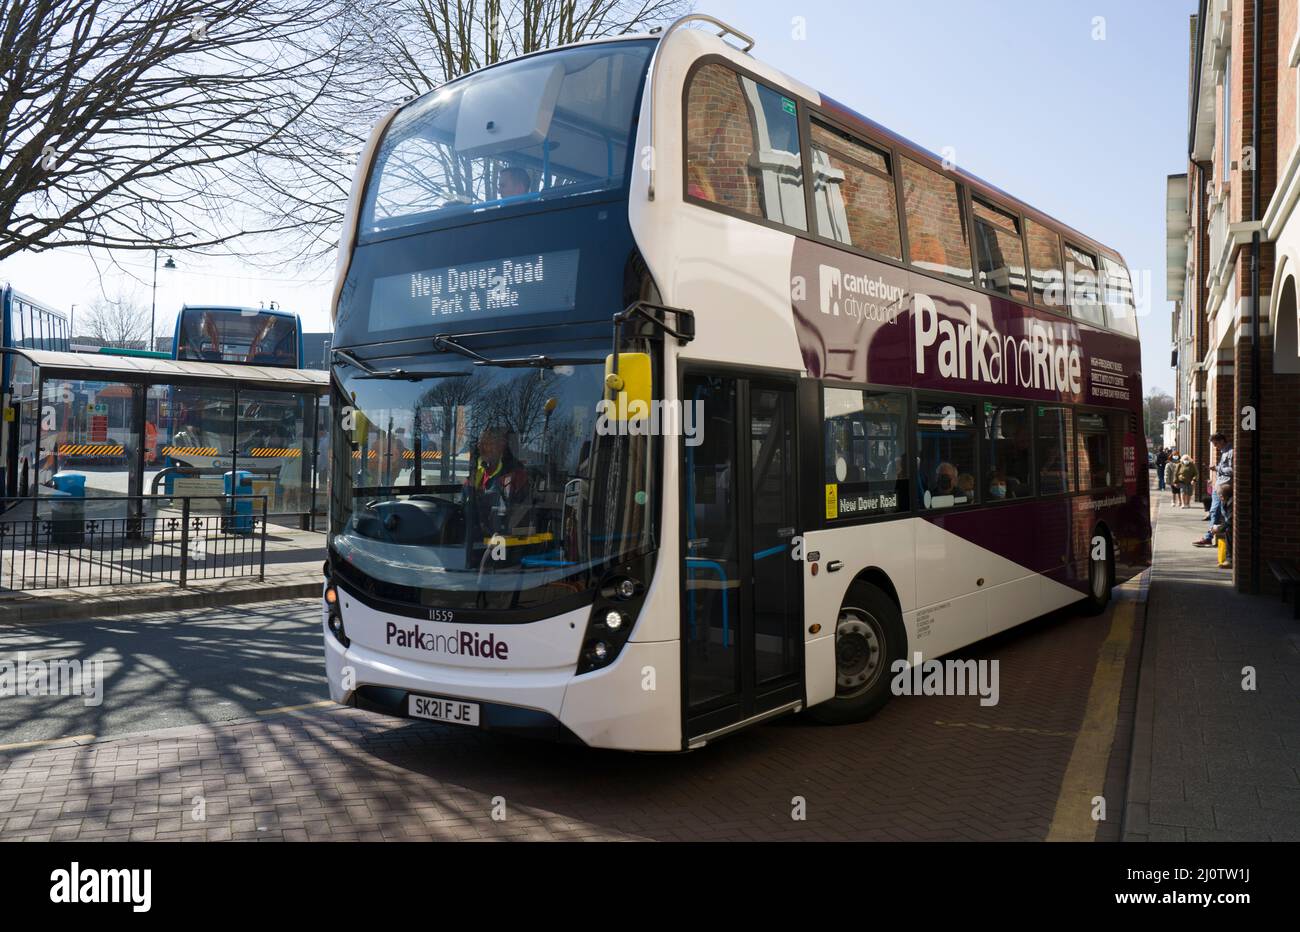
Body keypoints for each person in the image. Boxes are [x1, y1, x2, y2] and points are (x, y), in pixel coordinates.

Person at [466, 425, 530, 537]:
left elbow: (518, 515)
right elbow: (465, 501)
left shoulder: (516, 475)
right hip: (471, 539)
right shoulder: (477, 470)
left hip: (501, 542)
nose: (481, 447)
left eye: (487, 443)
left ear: (501, 446)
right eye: (480, 443)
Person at [1204, 432, 1233, 522]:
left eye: (1216, 443)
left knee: (1216, 511)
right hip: (1219, 485)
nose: (1215, 446)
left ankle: (1211, 534)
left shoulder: (1230, 452)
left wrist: (1217, 468)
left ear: (1222, 441)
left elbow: (1232, 470)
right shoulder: (1224, 452)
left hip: (1224, 486)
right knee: (1216, 511)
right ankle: (1211, 534)